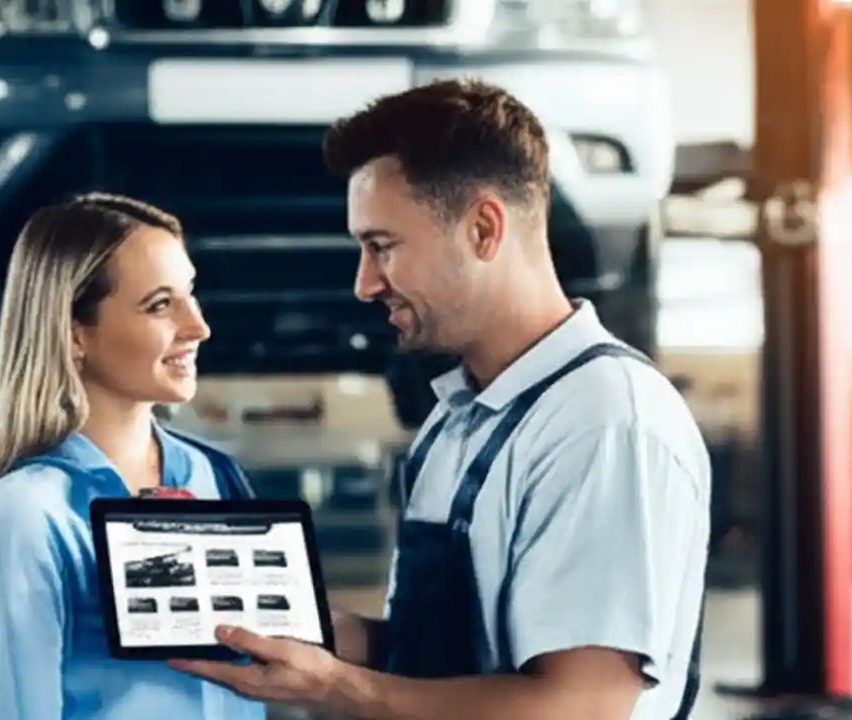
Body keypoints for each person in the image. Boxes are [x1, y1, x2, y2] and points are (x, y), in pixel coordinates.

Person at [172, 80, 711, 719]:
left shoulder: (603, 422)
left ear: (484, 229)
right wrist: (281, 623)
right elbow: (434, 659)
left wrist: (332, 686)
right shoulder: (459, 419)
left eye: (382, 247)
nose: (365, 283)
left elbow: (581, 706)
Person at [0, 193, 266, 720]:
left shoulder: (213, 476)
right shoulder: (25, 517)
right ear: (75, 333)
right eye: (160, 305)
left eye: (191, 295)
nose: (198, 327)